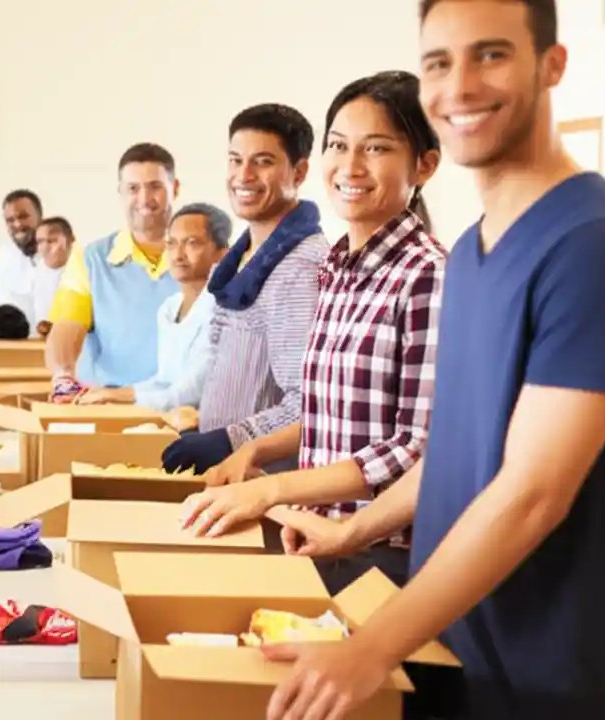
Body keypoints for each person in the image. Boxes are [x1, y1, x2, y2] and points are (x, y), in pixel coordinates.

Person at [266, 2, 605, 718]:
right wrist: (349, 531)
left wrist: (370, 647)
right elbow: (460, 454)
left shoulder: (596, 245)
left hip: (552, 680)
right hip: (454, 647)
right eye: (439, 62)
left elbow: (532, 493)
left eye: (490, 55)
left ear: (552, 67)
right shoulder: (473, 253)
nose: (458, 86)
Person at [181, 72, 444, 598]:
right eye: (339, 146)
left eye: (376, 148)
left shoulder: (427, 275)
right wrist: (254, 455)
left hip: (381, 550)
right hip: (312, 536)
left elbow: (418, 447)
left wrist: (277, 487)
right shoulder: (337, 268)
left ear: (425, 164)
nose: (351, 167)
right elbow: (330, 414)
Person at [159, 105, 326, 474]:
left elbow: (309, 404)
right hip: (227, 477)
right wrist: (202, 419)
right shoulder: (240, 258)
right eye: (235, 160)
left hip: (266, 484)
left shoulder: (298, 268)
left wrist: (228, 438)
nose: (243, 176)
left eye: (263, 161)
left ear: (298, 172)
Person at [46, 143, 181, 393]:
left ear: (175, 189)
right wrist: (63, 374)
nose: (144, 198)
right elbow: (67, 327)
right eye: (133, 188)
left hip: (181, 406)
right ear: (120, 192)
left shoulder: (205, 257)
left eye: (155, 187)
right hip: (107, 402)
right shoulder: (89, 259)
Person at [74, 203, 231, 409]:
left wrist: (122, 398)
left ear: (223, 253)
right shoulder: (170, 308)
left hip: (204, 424)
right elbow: (164, 381)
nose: (178, 254)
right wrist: (110, 393)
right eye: (172, 244)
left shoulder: (224, 310)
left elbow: (190, 393)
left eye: (191, 243)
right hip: (170, 417)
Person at [0, 188, 44, 318]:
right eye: (10, 220)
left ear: (40, 217)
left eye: (23, 217)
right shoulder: (6, 253)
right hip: (18, 336)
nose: (17, 224)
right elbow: (4, 303)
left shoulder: (62, 251)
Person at [29, 216, 74, 335]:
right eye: (40, 241)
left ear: (70, 241)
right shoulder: (35, 272)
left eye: (52, 241)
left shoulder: (86, 269)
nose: (44, 248)